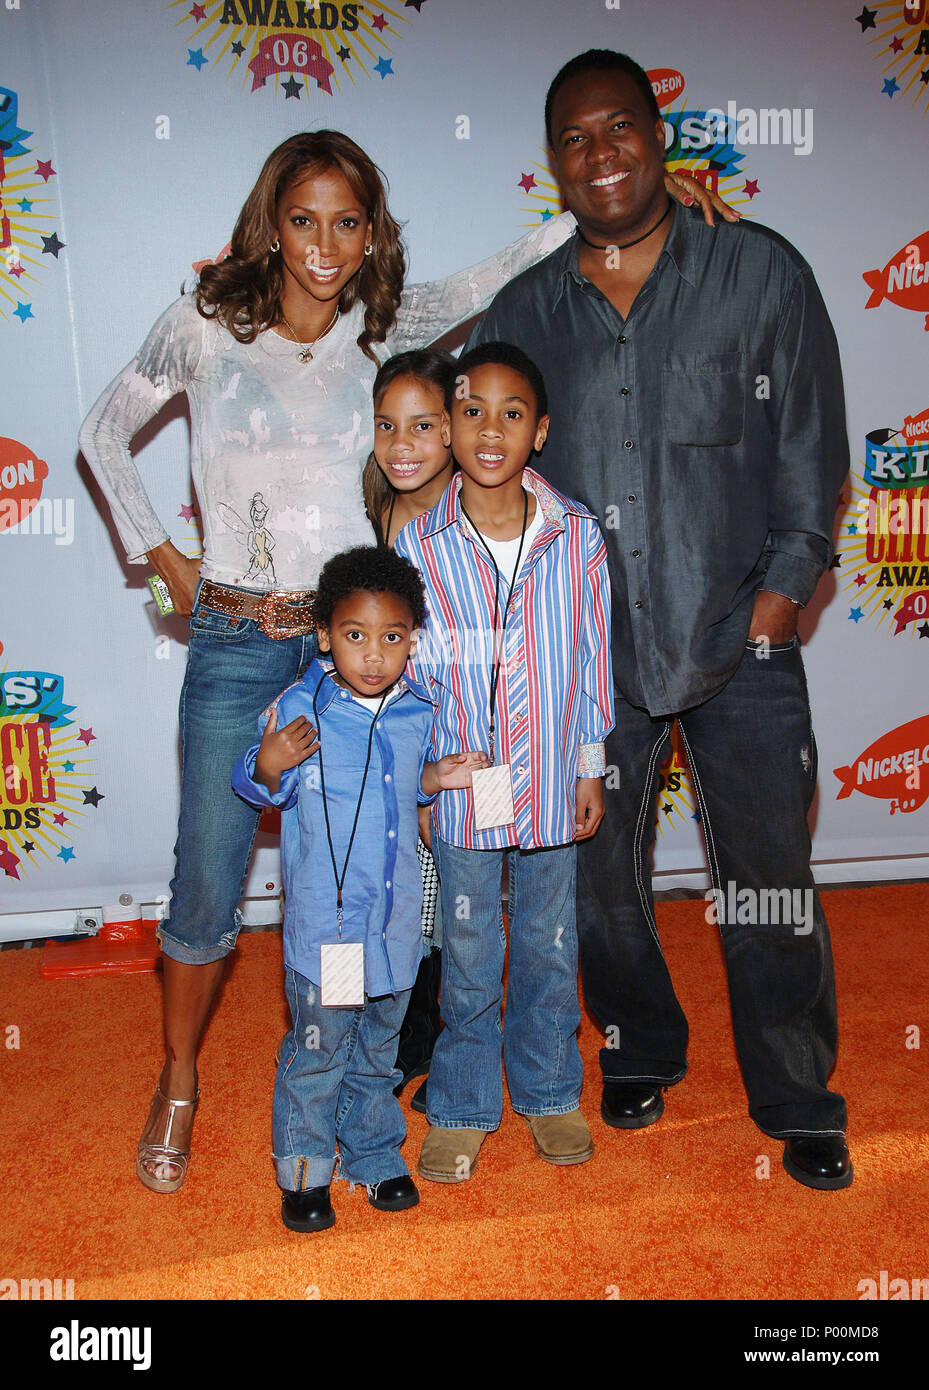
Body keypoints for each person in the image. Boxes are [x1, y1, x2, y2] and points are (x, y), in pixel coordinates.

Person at [78, 124, 732, 1195]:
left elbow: (502, 267)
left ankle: (392, 1075)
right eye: (302, 219)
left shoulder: (390, 325)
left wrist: (632, 195)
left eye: (346, 221)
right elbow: (106, 434)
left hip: (360, 658)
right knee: (206, 882)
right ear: (269, 223)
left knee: (391, 879)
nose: (324, 243)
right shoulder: (204, 323)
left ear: (370, 230)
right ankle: (180, 1078)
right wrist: (166, 566)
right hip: (241, 642)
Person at [467, 50, 853, 1190]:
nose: (602, 155)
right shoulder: (525, 310)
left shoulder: (757, 275)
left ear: (656, 134)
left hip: (745, 640)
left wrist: (778, 607)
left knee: (765, 879)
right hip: (586, 654)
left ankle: (795, 1094)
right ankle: (640, 1045)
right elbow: (491, 467)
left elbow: (810, 453)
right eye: (576, 140)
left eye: (619, 128)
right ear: (554, 163)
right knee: (595, 880)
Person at [396, 342, 614, 1182]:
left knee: (550, 946)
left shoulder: (577, 535)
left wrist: (590, 764)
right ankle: (458, 1103)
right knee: (469, 950)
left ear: (541, 430)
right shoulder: (421, 546)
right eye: (472, 411)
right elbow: (406, 678)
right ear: (448, 426)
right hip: (462, 791)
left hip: (553, 778)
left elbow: (592, 656)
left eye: (512, 413)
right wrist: (419, 779)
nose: (491, 430)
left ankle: (553, 1091)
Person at [231, 546, 488, 1231]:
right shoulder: (300, 706)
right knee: (322, 1048)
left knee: (379, 1048)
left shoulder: (416, 710)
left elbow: (405, 789)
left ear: (411, 641)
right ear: (323, 636)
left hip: (395, 926)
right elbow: (257, 782)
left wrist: (436, 778)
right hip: (333, 933)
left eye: (392, 638)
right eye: (354, 636)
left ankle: (374, 1154)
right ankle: (307, 1172)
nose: (373, 656)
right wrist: (266, 762)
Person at [363, 349, 457, 1106]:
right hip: (409, 735)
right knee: (415, 903)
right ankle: (412, 1039)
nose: (403, 444)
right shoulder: (382, 513)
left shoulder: (479, 509)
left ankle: (467, 1050)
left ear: (456, 429)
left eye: (422, 426)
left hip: (477, 739)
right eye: (387, 426)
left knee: (478, 907)